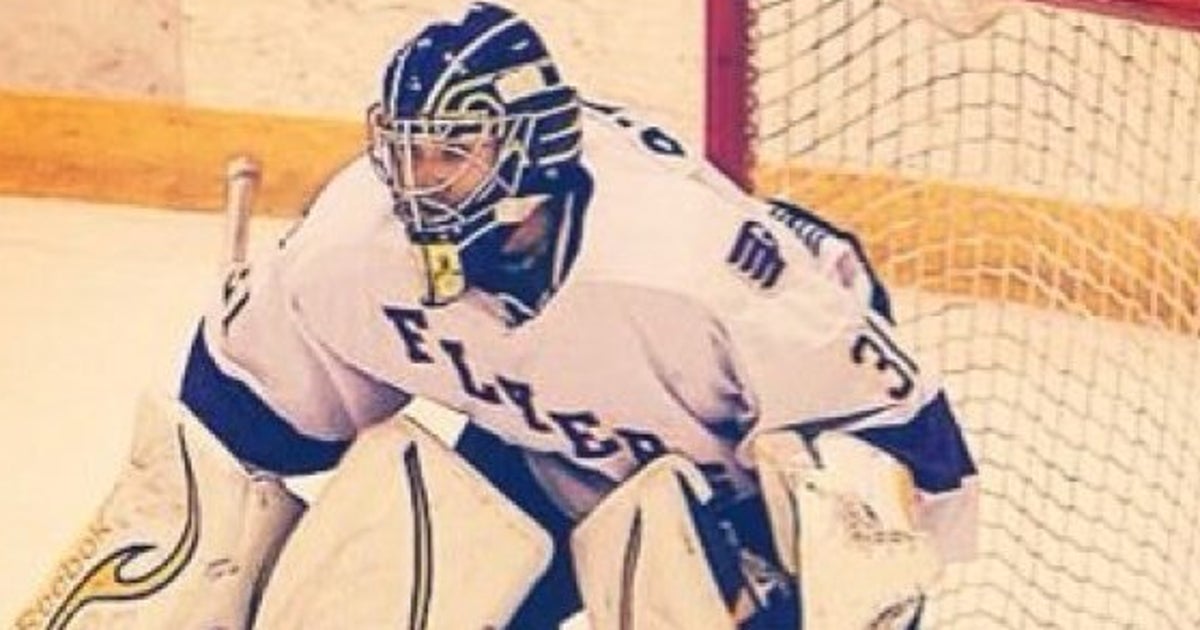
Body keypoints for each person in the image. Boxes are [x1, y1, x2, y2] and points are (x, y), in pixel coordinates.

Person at [19, 3, 977, 629]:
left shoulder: (690, 265)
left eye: (450, 155)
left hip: (722, 491)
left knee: (696, 579)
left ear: (530, 147)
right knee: (367, 587)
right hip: (537, 455)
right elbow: (234, 432)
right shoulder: (356, 244)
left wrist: (849, 578)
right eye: (405, 153)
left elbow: (907, 445)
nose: (414, 183)